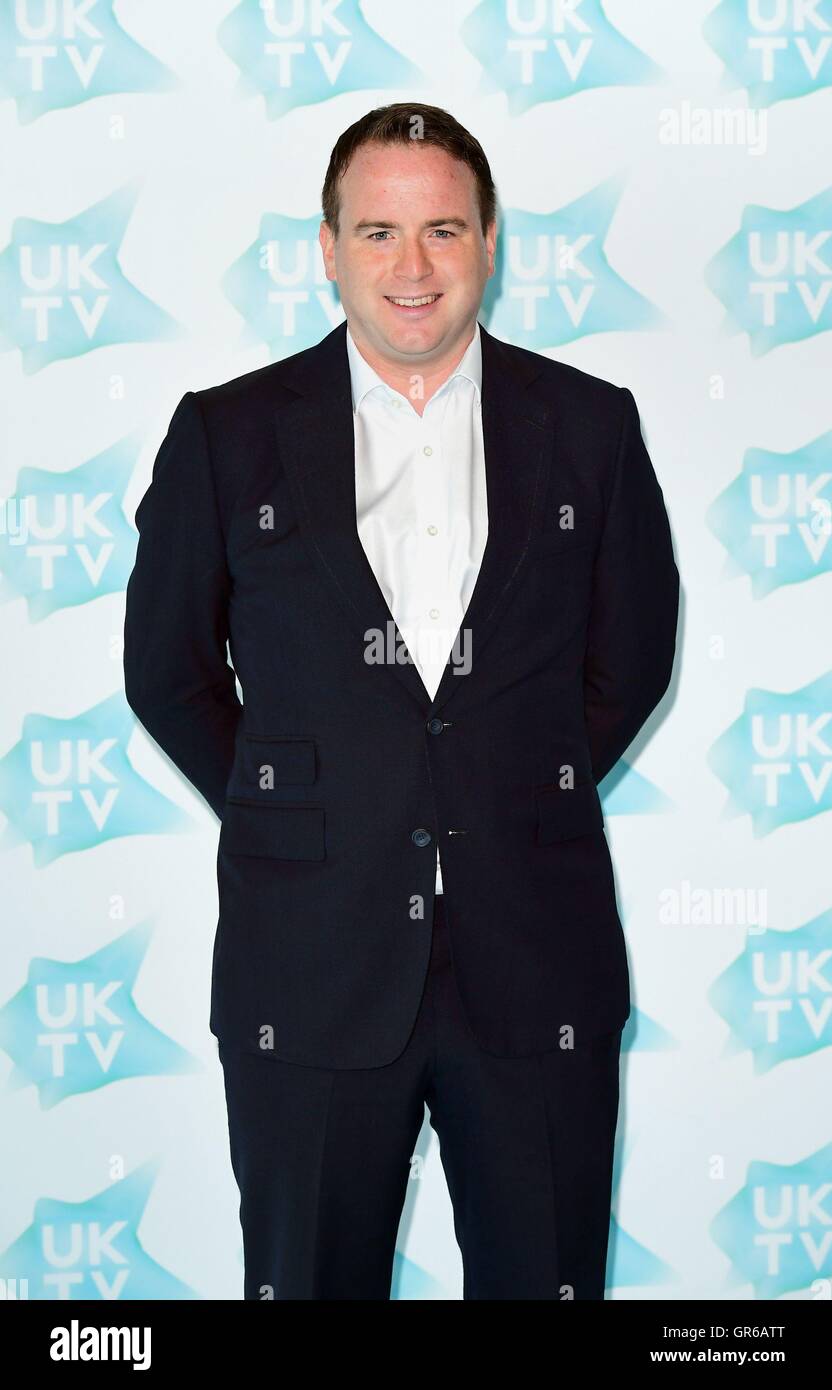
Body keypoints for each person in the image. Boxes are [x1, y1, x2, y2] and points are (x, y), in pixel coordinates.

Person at [123, 102, 679, 1300]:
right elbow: (165, 671)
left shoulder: (590, 425)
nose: (410, 268)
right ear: (326, 247)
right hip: (308, 969)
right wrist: (300, 810)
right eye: (376, 232)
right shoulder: (226, 436)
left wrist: (503, 788)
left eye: (440, 230)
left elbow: (628, 659)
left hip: (538, 964)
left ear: (490, 241)